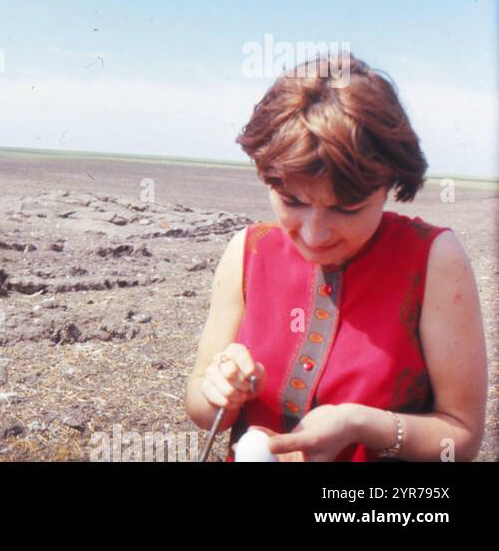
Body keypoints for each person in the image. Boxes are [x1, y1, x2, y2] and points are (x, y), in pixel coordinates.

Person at [185, 54, 486, 461]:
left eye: (347, 209)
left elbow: (461, 436)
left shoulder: (434, 259)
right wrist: (222, 391)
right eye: (292, 201)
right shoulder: (248, 250)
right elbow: (202, 410)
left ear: (390, 184)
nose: (314, 234)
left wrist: (362, 425)